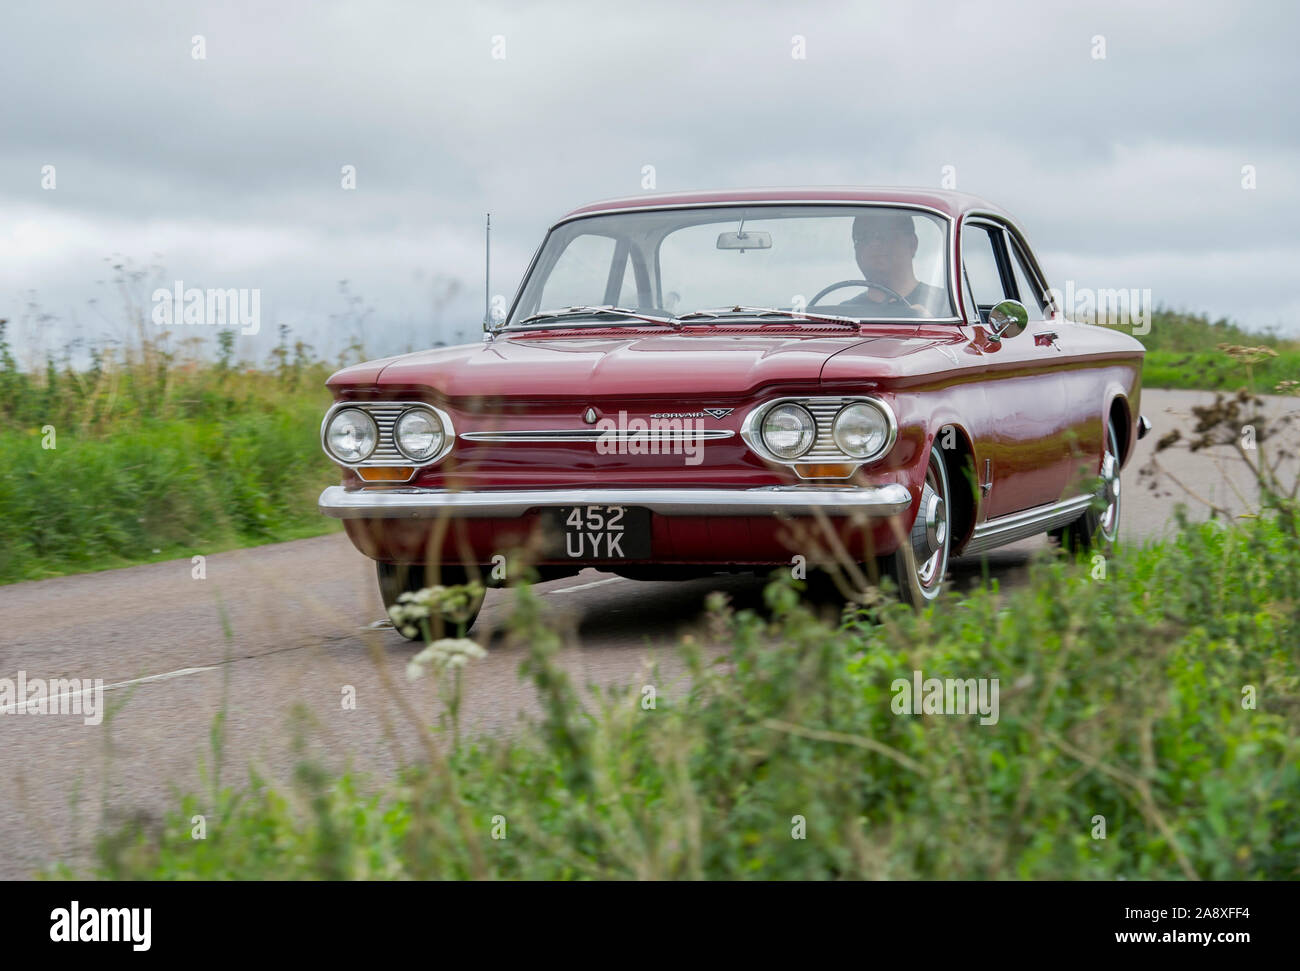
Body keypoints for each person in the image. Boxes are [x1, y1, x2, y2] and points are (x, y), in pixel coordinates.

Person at [836, 210, 948, 316]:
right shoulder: (844, 317)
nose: (874, 243)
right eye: (862, 237)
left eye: (884, 234)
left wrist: (928, 329)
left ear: (912, 244)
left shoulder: (947, 306)